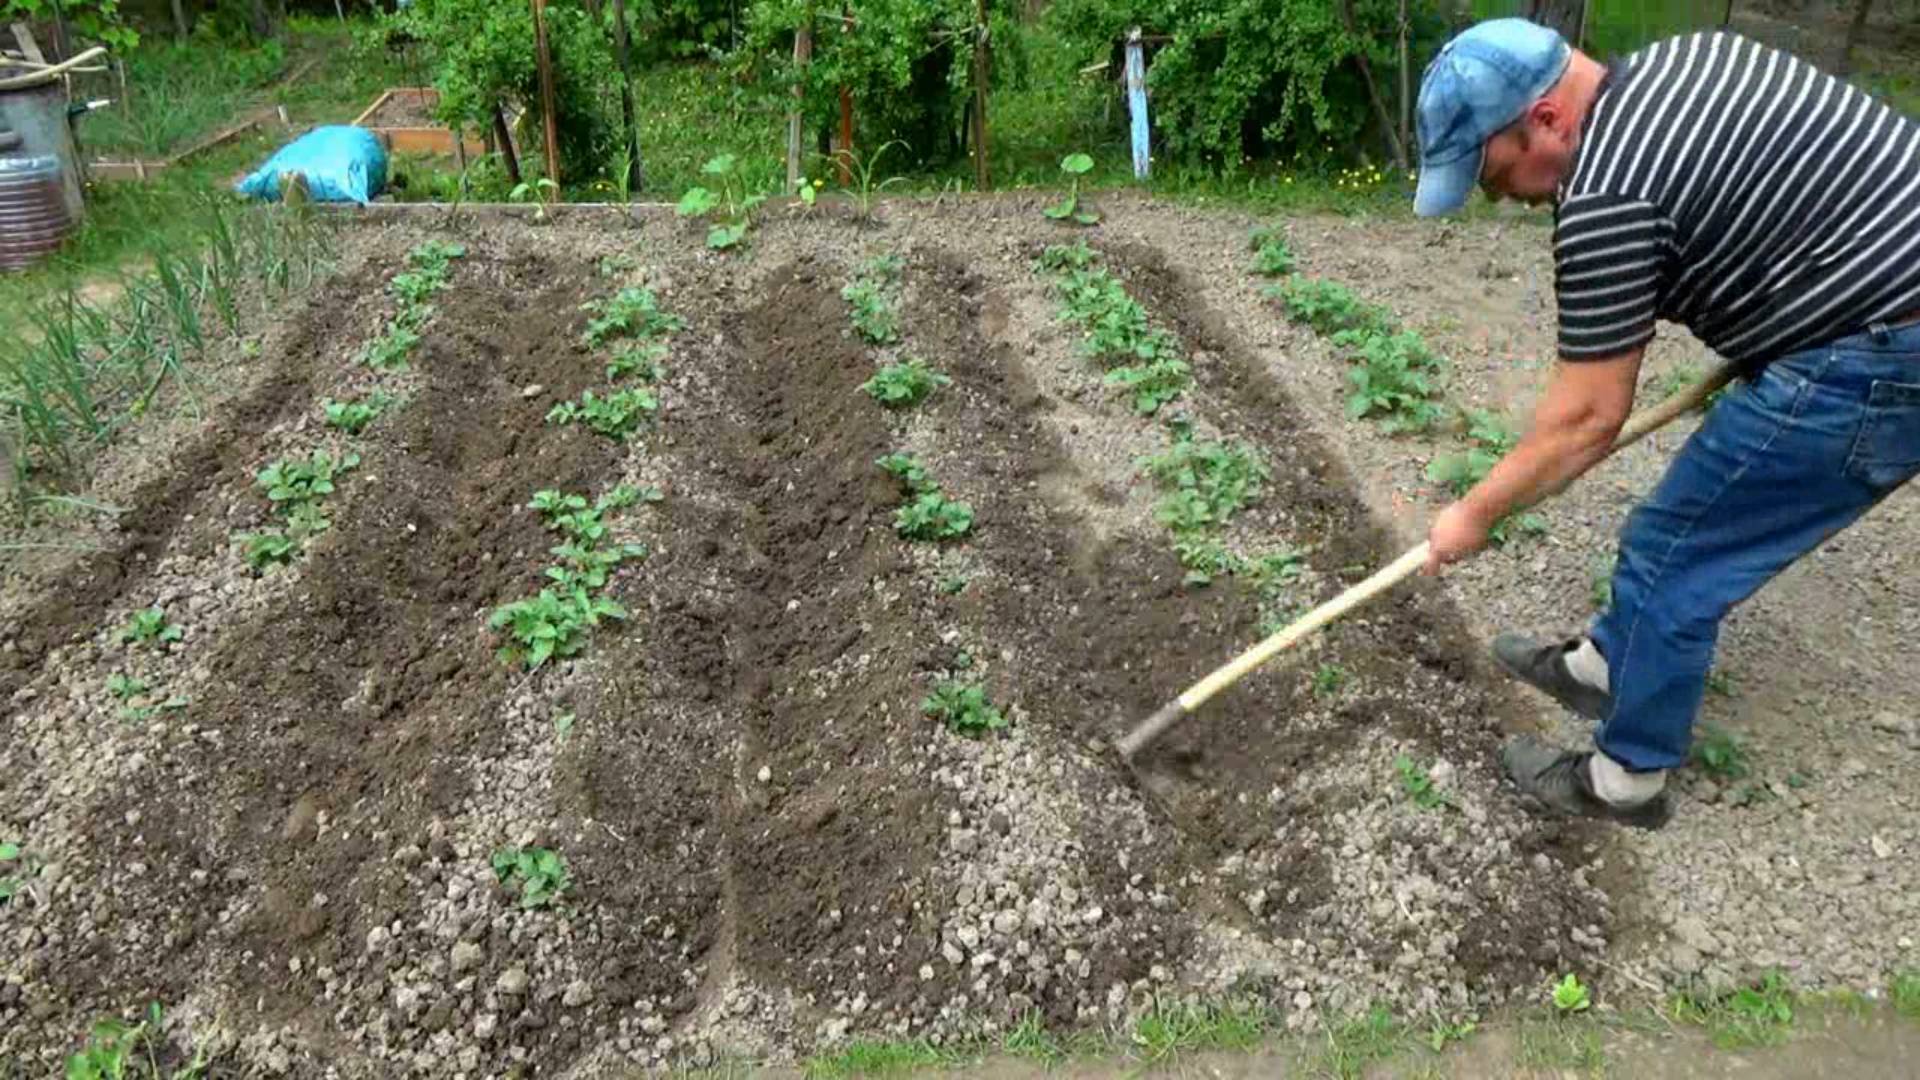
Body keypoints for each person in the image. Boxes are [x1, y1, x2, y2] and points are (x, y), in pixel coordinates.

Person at [1409, 18, 1920, 828]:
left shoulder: (1608, 190)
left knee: (1673, 553)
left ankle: (1625, 780)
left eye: (1489, 170)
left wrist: (1471, 515)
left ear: (1545, 118)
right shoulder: (1684, 58)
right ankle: (1604, 665)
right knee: (1673, 532)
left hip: (1878, 356)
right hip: (1876, 305)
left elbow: (1585, 418)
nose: (1495, 196)